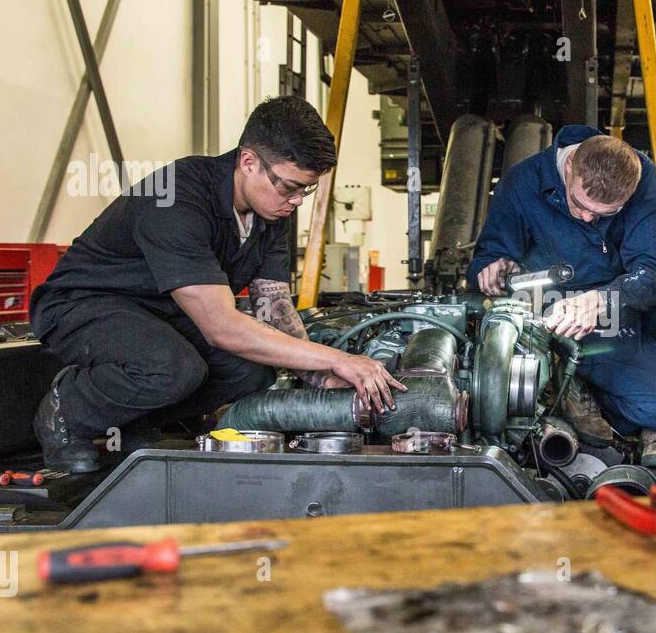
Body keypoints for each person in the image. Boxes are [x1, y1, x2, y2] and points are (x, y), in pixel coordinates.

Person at [29, 96, 404, 472]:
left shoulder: (270, 213)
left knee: (252, 371)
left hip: (160, 315)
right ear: (248, 162)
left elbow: (273, 308)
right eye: (289, 187)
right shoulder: (176, 198)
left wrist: (322, 377)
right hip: (83, 305)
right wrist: (340, 360)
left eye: (305, 190)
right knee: (173, 367)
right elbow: (222, 328)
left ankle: (134, 421)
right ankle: (67, 412)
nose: (296, 201)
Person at [468, 124, 656, 470]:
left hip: (631, 300)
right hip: (578, 323)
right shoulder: (522, 183)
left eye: (605, 214)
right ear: (571, 166)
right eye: (579, 205)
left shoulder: (641, 175)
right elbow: (484, 262)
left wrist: (604, 299)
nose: (588, 218)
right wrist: (492, 268)